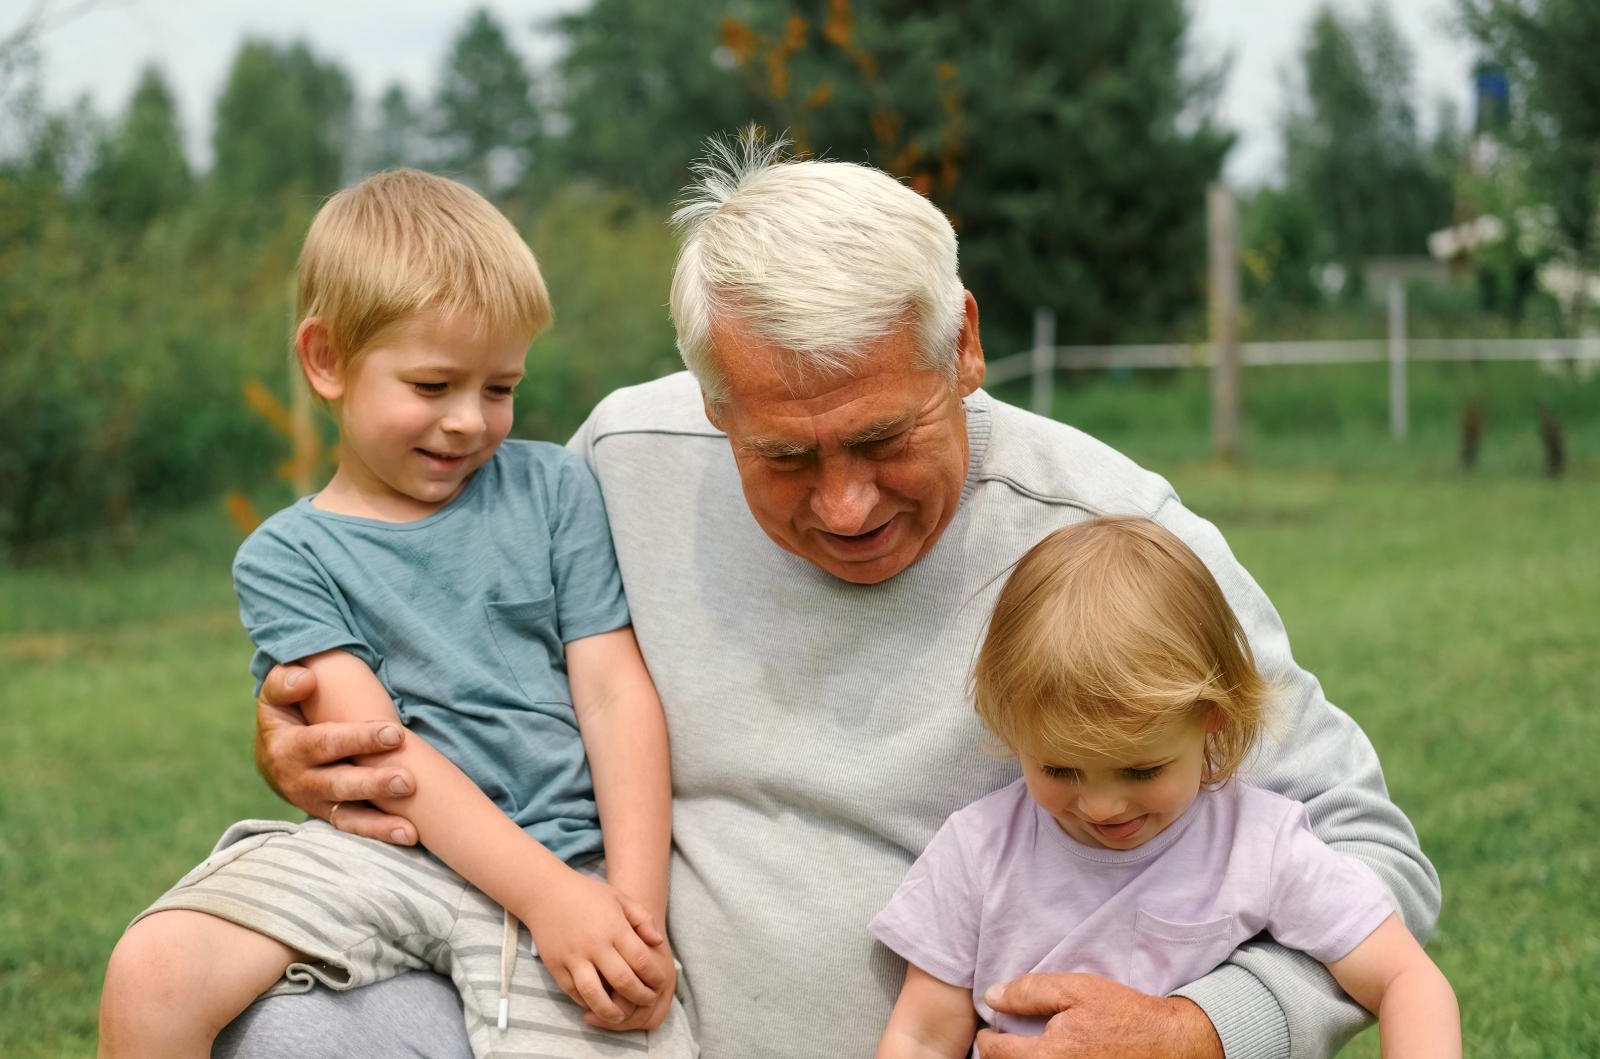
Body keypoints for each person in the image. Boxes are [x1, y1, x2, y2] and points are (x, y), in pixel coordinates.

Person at [229, 135, 1441, 1059]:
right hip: (603, 1017)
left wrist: (1204, 1022)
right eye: (785, 457)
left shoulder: (1113, 535)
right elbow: (464, 665)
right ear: (711, 402)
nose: (847, 504)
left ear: (961, 344)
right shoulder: (618, 461)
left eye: (883, 436)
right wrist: (330, 741)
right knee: (289, 1030)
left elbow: (1367, 848)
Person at [98, 170, 694, 1059]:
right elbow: (380, 754)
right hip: (391, 853)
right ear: (327, 360)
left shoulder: (555, 490)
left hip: (571, 856)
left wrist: (628, 914)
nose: (468, 422)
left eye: (500, 388)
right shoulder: (288, 557)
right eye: (432, 384)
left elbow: (614, 694)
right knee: (155, 968)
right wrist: (548, 900)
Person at [872, 516, 1460, 1058]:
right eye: (1059, 770)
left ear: (1213, 719)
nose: (1101, 806)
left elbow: (1406, 979)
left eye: (1142, 770)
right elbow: (923, 1035)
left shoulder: (1258, 846)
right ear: (1010, 726)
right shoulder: (977, 852)